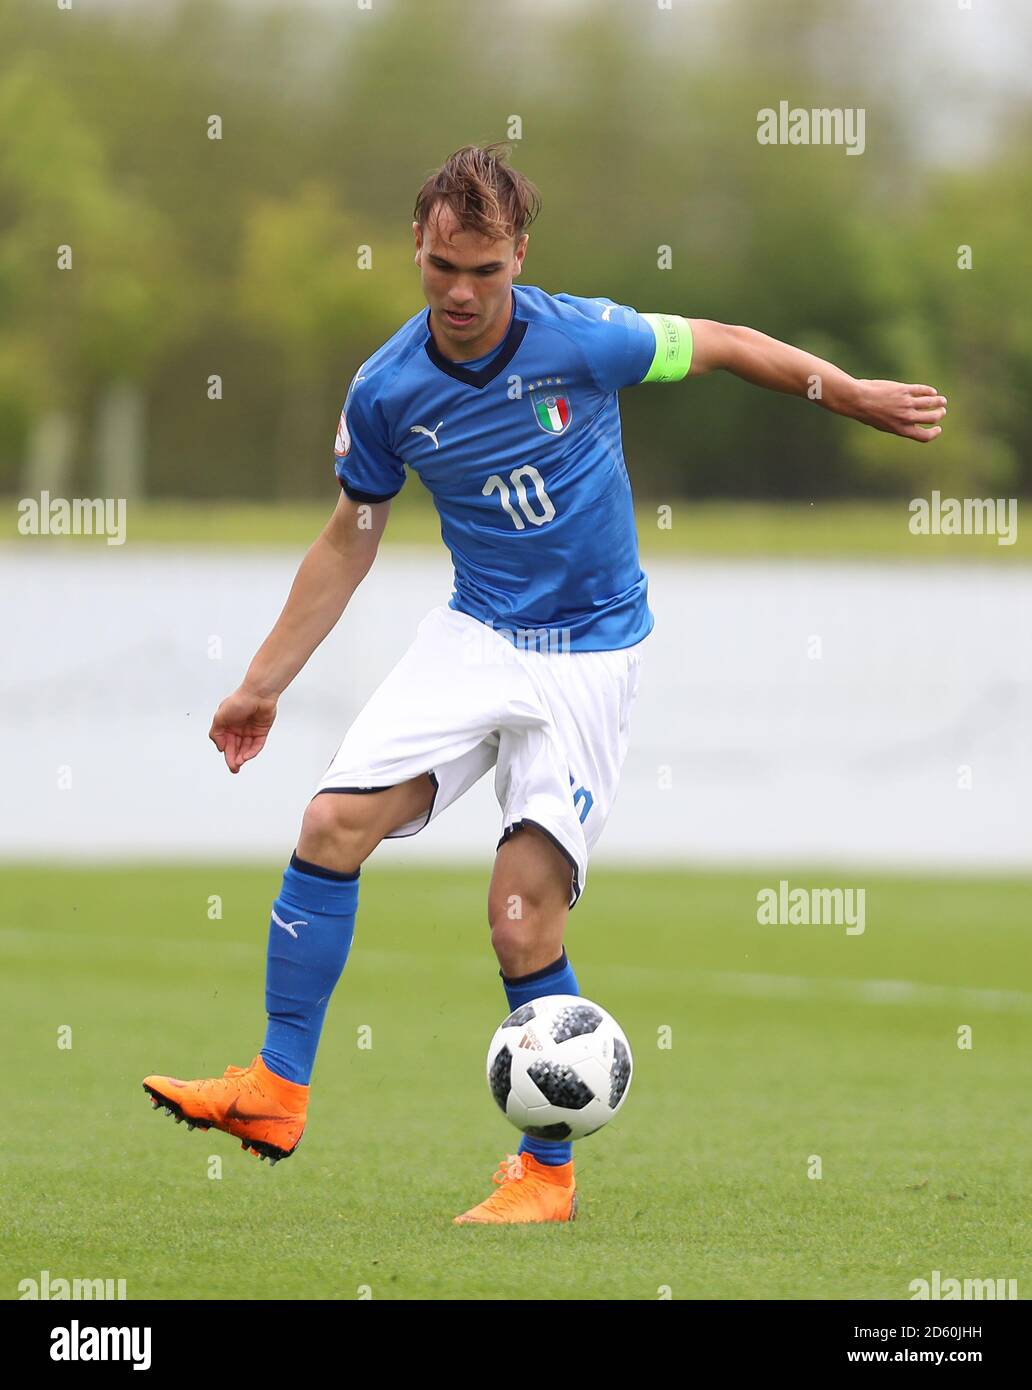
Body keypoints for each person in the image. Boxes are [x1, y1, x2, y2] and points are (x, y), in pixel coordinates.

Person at [143, 143, 946, 1224]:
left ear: (521, 253)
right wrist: (263, 681)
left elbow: (727, 343)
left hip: (592, 656)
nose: (462, 294)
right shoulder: (387, 391)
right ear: (416, 254)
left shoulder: (585, 338)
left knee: (520, 922)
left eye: (484, 269)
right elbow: (350, 538)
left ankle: (545, 1177)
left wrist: (847, 393)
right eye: (440, 269)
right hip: (475, 638)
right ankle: (276, 1090)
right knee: (330, 823)